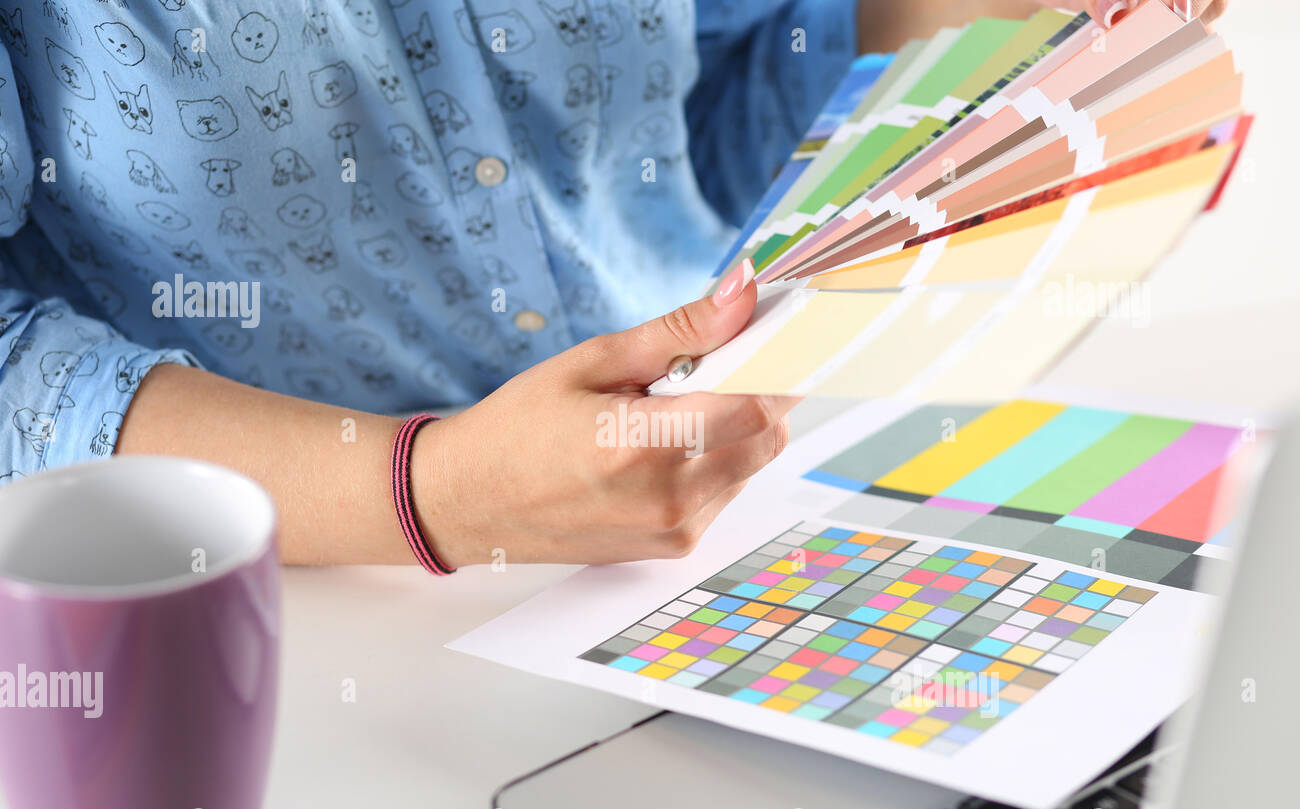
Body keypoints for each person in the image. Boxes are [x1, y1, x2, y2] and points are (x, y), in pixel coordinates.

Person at [0, 0, 1227, 569]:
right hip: (261, 616)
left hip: (750, 491)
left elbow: (734, 82)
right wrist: (435, 493)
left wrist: (1000, 43)